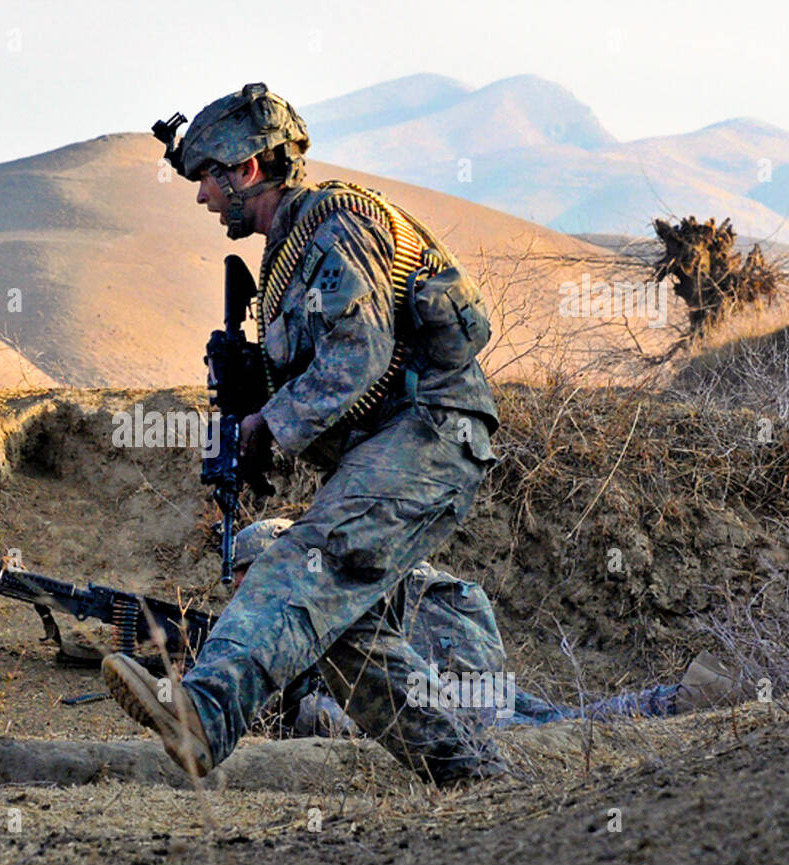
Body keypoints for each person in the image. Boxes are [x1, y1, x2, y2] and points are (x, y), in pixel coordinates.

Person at [103, 83, 507, 786]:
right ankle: (472, 774)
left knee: (305, 561)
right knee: (345, 633)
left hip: (430, 434)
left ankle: (205, 713)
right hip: (398, 443)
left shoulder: (335, 224)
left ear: (248, 171)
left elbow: (360, 356)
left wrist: (270, 424)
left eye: (207, 179)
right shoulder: (293, 248)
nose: (203, 198)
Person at [230, 520, 751, 736]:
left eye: (244, 578)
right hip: (455, 632)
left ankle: (683, 702)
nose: (240, 594)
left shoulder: (305, 582)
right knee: (558, 720)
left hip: (440, 645)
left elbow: (342, 697)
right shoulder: (327, 565)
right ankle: (682, 698)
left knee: (499, 733)